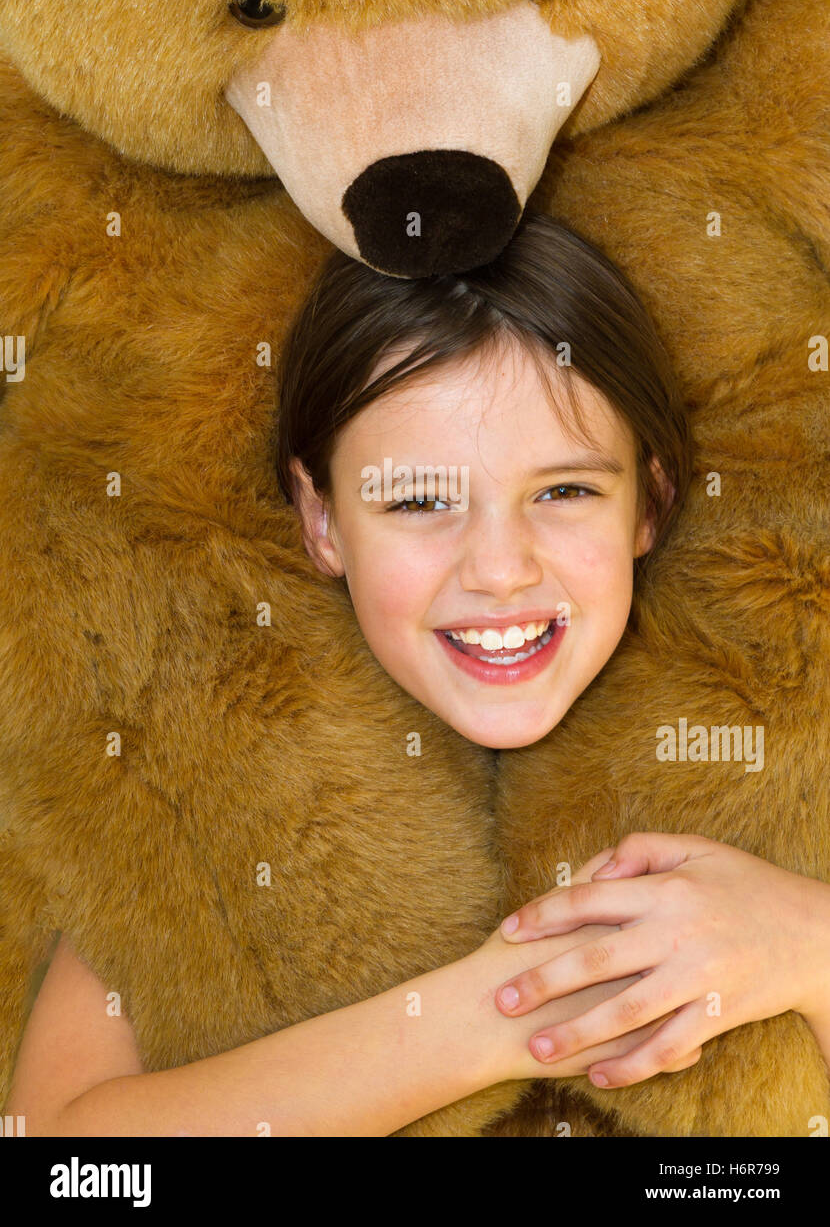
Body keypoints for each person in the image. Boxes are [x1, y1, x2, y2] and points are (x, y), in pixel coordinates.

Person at [8, 215, 828, 1135]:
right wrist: (500, 1015)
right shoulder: (198, 770)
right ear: (320, 521)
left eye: (564, 492)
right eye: (419, 500)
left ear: (652, 502)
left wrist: (805, 939)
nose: (500, 569)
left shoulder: (793, 742)